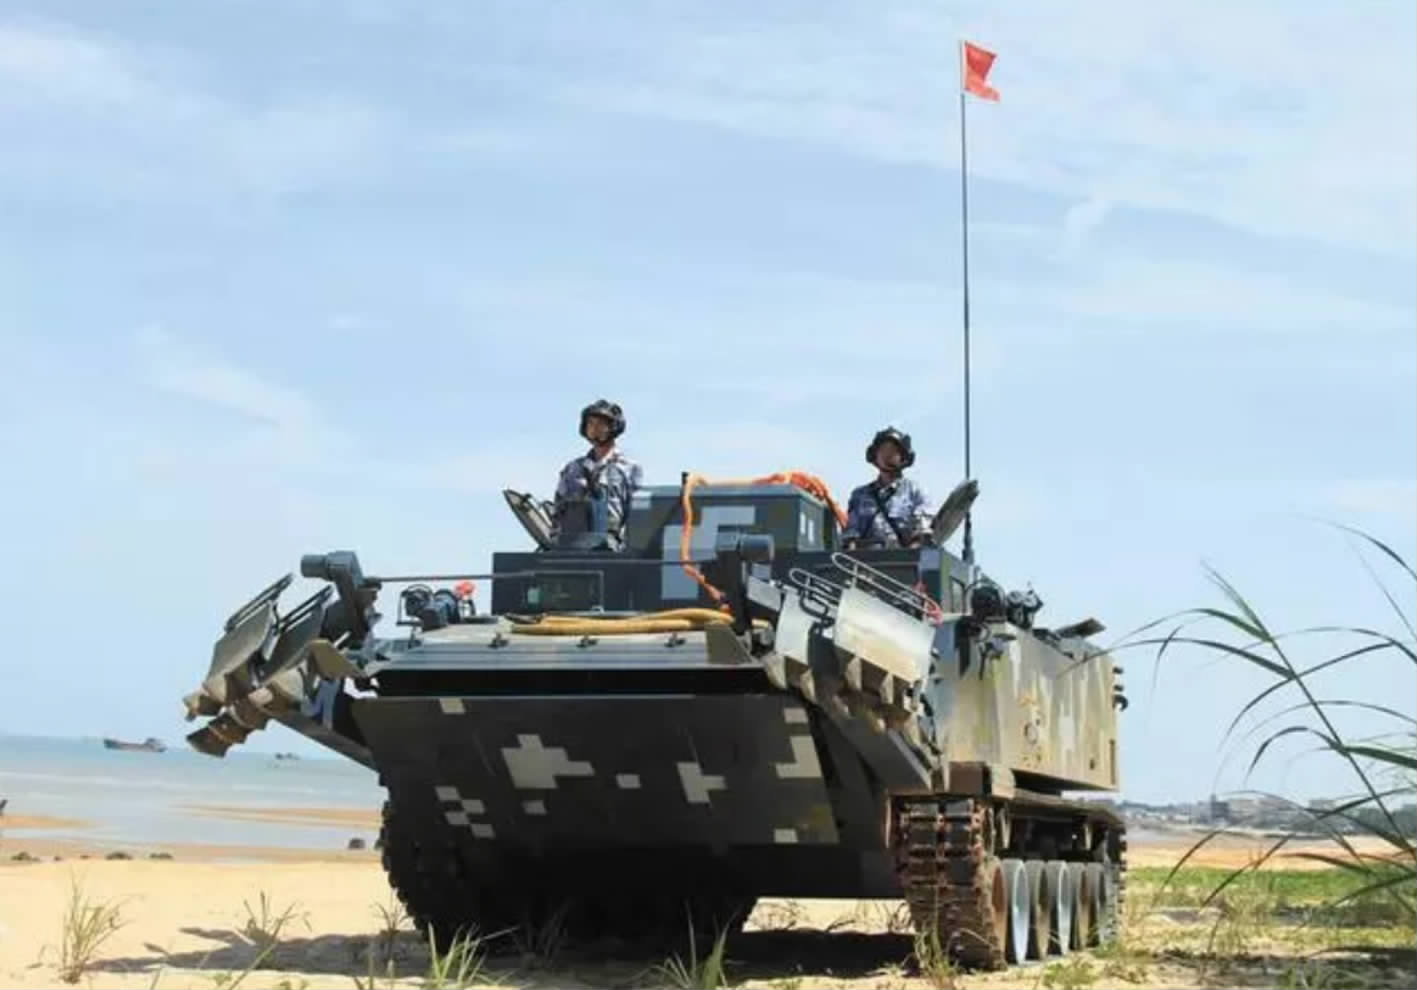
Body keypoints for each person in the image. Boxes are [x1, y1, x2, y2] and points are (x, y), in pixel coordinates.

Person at [549, 398, 644, 551]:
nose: (594, 428)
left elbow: (637, 515)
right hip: (571, 547)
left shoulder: (628, 468)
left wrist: (627, 551)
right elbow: (558, 511)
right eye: (590, 424)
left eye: (600, 424)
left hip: (611, 548)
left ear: (613, 427)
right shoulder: (572, 469)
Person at [841, 427, 933, 549]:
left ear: (903, 457)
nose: (887, 455)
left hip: (903, 562)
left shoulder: (915, 492)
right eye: (883, 451)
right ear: (874, 455)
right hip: (865, 562)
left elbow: (922, 533)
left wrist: (910, 554)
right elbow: (851, 535)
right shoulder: (860, 495)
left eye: (893, 451)